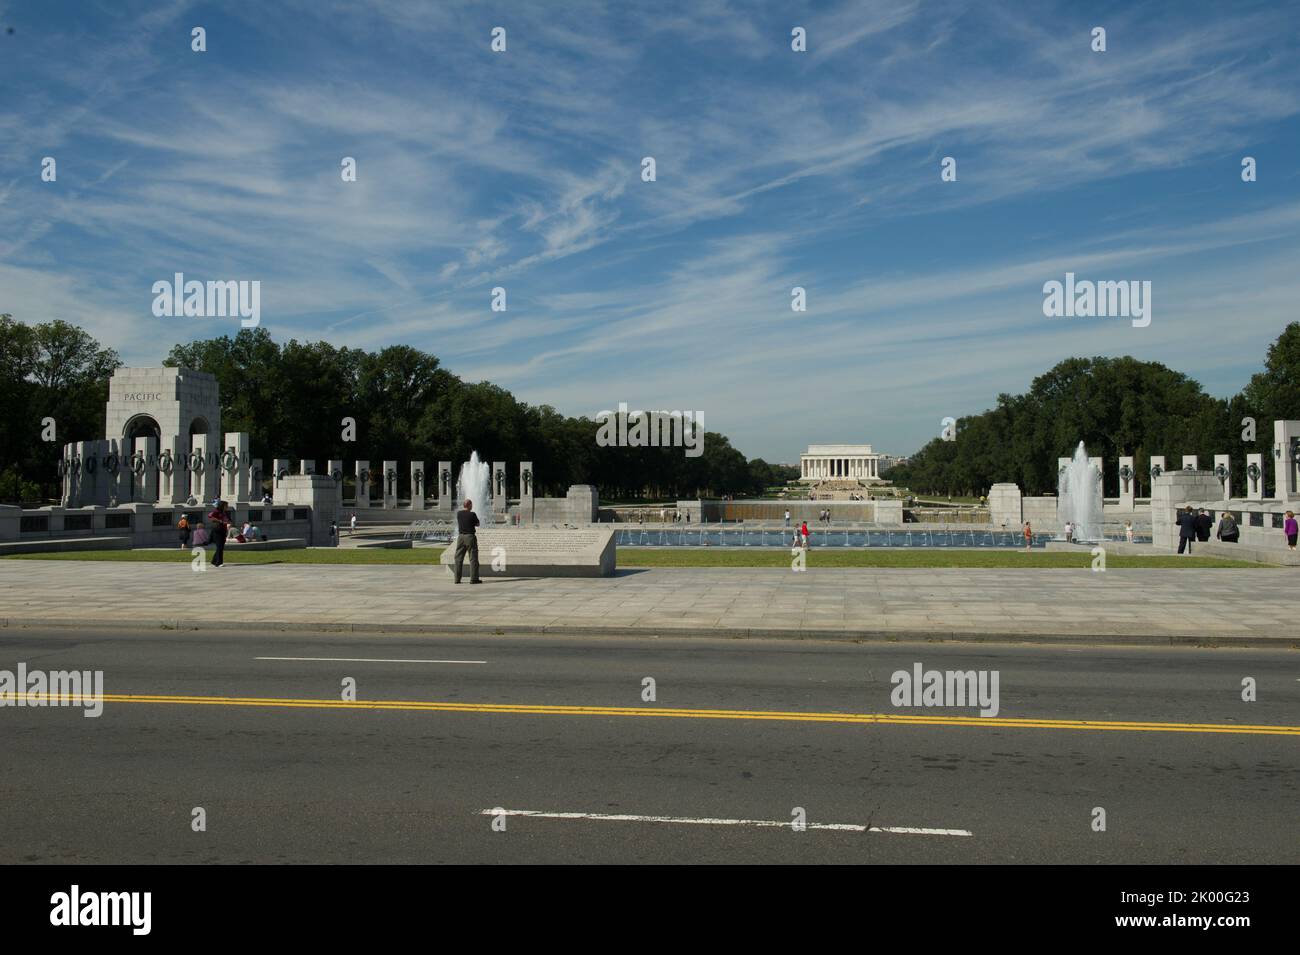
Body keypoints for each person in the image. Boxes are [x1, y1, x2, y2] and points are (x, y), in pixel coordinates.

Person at [453, 499, 482, 584]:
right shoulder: (472, 514)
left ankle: (457, 579)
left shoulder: (459, 514)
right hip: (470, 537)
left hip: (461, 537)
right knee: (473, 558)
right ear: (469, 505)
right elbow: (478, 524)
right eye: (471, 505)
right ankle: (474, 579)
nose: (472, 506)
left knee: (458, 558)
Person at [208, 500, 231, 567]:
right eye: (226, 505)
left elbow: (228, 520)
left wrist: (228, 522)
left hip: (223, 530)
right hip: (217, 530)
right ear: (222, 506)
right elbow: (210, 516)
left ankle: (214, 561)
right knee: (219, 546)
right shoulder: (216, 511)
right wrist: (220, 521)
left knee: (221, 547)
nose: (227, 507)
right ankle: (219, 562)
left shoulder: (224, 513)